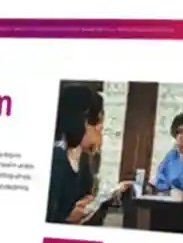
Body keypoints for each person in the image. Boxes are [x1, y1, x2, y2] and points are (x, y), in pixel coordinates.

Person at [46, 85, 129, 224]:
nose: (101, 133)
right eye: (99, 125)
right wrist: (66, 217)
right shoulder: (56, 158)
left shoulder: (83, 160)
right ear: (84, 122)